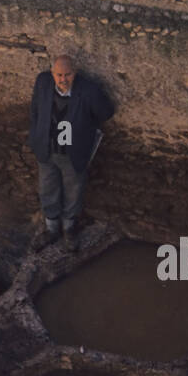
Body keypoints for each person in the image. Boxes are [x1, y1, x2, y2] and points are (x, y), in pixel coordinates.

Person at [28, 55, 115, 251]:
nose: (63, 79)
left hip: (72, 153)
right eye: (59, 75)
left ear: (74, 74)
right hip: (47, 149)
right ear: (53, 74)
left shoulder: (88, 90)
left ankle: (69, 230)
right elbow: (34, 110)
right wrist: (36, 137)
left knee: (74, 190)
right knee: (46, 188)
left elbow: (106, 113)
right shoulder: (43, 82)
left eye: (67, 75)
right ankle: (51, 229)